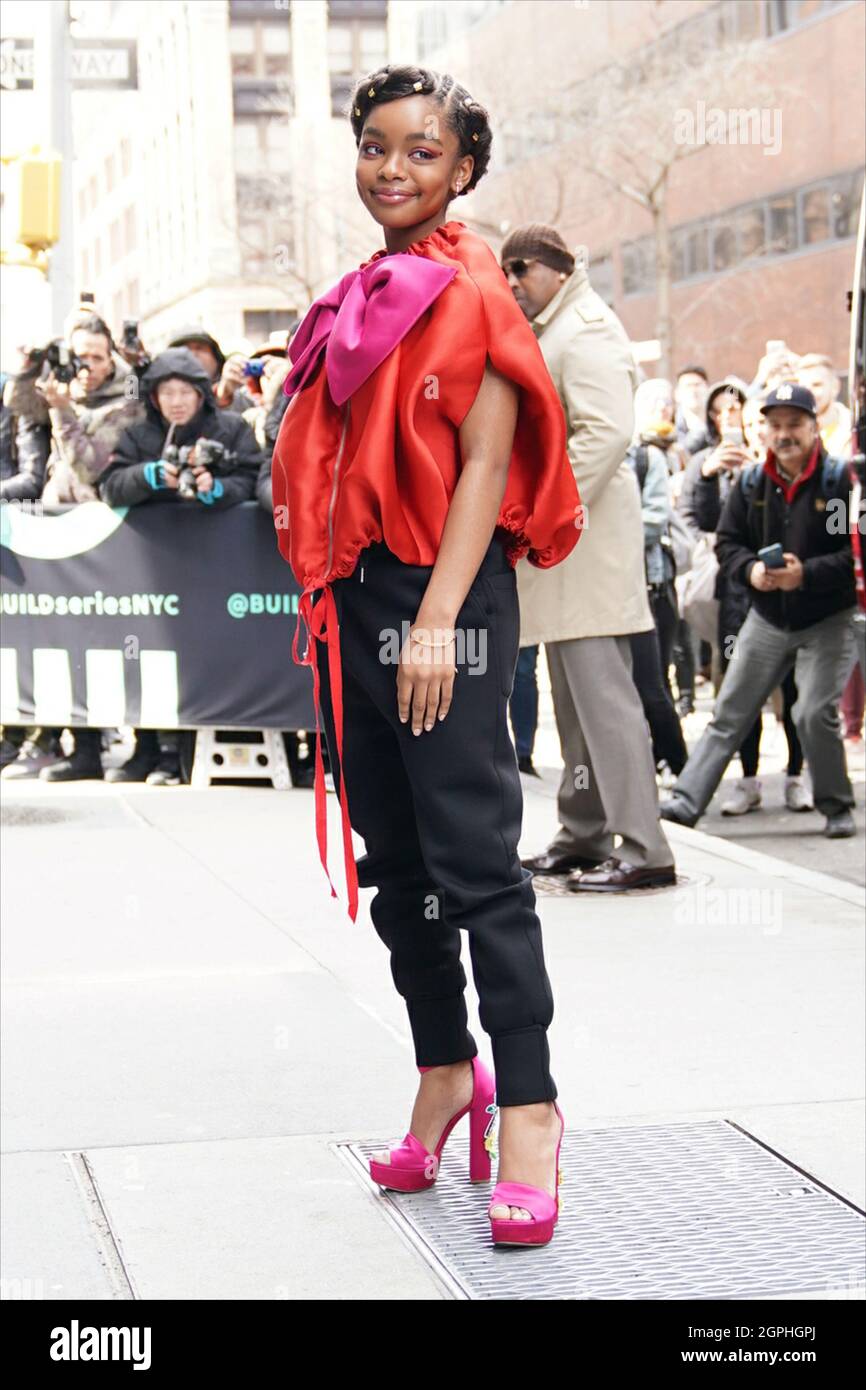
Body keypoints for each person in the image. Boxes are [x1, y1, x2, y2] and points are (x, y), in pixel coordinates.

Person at [271, 64, 582, 1246]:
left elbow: (487, 469)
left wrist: (441, 622)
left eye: (420, 150)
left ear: (461, 168)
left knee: (478, 867)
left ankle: (534, 1108)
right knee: (396, 861)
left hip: (438, 594)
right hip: (355, 601)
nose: (392, 168)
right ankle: (445, 1072)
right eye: (375, 145)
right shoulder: (361, 287)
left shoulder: (470, 287)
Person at [501, 224, 676, 892]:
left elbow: (607, 433)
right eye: (506, 270)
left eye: (522, 268)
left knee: (605, 705)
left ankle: (644, 847)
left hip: (585, 541)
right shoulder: (559, 325)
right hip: (568, 542)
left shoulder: (587, 326)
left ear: (558, 267)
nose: (513, 281)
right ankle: (583, 833)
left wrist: (547, 506)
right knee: (573, 705)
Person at [660, 384, 858, 839]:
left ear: (813, 427)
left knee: (812, 713)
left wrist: (804, 573)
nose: (784, 434)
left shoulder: (840, 480)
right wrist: (750, 571)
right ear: (763, 429)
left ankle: (835, 805)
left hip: (827, 619)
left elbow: (856, 552)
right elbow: (728, 541)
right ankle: (688, 800)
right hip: (767, 616)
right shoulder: (752, 483)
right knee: (730, 710)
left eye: (794, 424)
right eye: (775, 425)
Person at [99, 348, 262, 782]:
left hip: (218, 568)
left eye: (184, 391)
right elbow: (110, 487)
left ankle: (182, 753)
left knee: (205, 657)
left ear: (201, 393)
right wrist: (149, 476)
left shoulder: (231, 428)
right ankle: (147, 749)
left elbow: (254, 475)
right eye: (166, 392)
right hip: (150, 568)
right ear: (153, 397)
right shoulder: (137, 435)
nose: (175, 401)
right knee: (145, 655)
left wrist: (218, 488)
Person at [2, 314, 146, 782]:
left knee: (121, 641)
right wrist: (29, 370)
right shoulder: (58, 386)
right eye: (78, 356)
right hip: (59, 527)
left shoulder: (128, 398)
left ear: (111, 359)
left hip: (110, 531)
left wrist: (62, 410)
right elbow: (20, 406)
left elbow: (88, 467)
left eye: (97, 358)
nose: (86, 367)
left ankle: (145, 748)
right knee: (66, 641)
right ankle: (80, 747)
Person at [686, 383, 810, 815]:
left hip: (791, 598)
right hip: (738, 596)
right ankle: (748, 779)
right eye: (725, 415)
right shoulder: (714, 466)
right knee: (737, 694)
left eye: (754, 419)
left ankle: (796, 775)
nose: (749, 428)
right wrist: (707, 477)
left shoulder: (794, 467)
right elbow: (709, 526)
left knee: (794, 694)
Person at [627, 379, 688, 778]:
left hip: (652, 586)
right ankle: (654, 764)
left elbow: (652, 521)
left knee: (653, 686)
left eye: (668, 403)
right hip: (621, 587)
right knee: (635, 687)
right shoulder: (628, 454)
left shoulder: (650, 457)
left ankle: (685, 774)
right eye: (654, 403)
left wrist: (612, 532)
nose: (662, 410)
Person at [166, 326, 256, 414]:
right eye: (184, 350)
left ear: (216, 359)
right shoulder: (159, 402)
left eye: (199, 348)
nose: (193, 354)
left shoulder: (239, 392)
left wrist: (225, 396)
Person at [796, 353, 852, 459]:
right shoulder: (791, 432)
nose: (809, 392)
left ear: (835, 386)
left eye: (817, 385)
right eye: (803, 387)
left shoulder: (856, 428)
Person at [674, 365, 710, 456]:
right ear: (677, 394)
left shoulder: (720, 422)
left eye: (697, 385)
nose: (693, 390)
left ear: (707, 389)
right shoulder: (670, 429)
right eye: (688, 386)